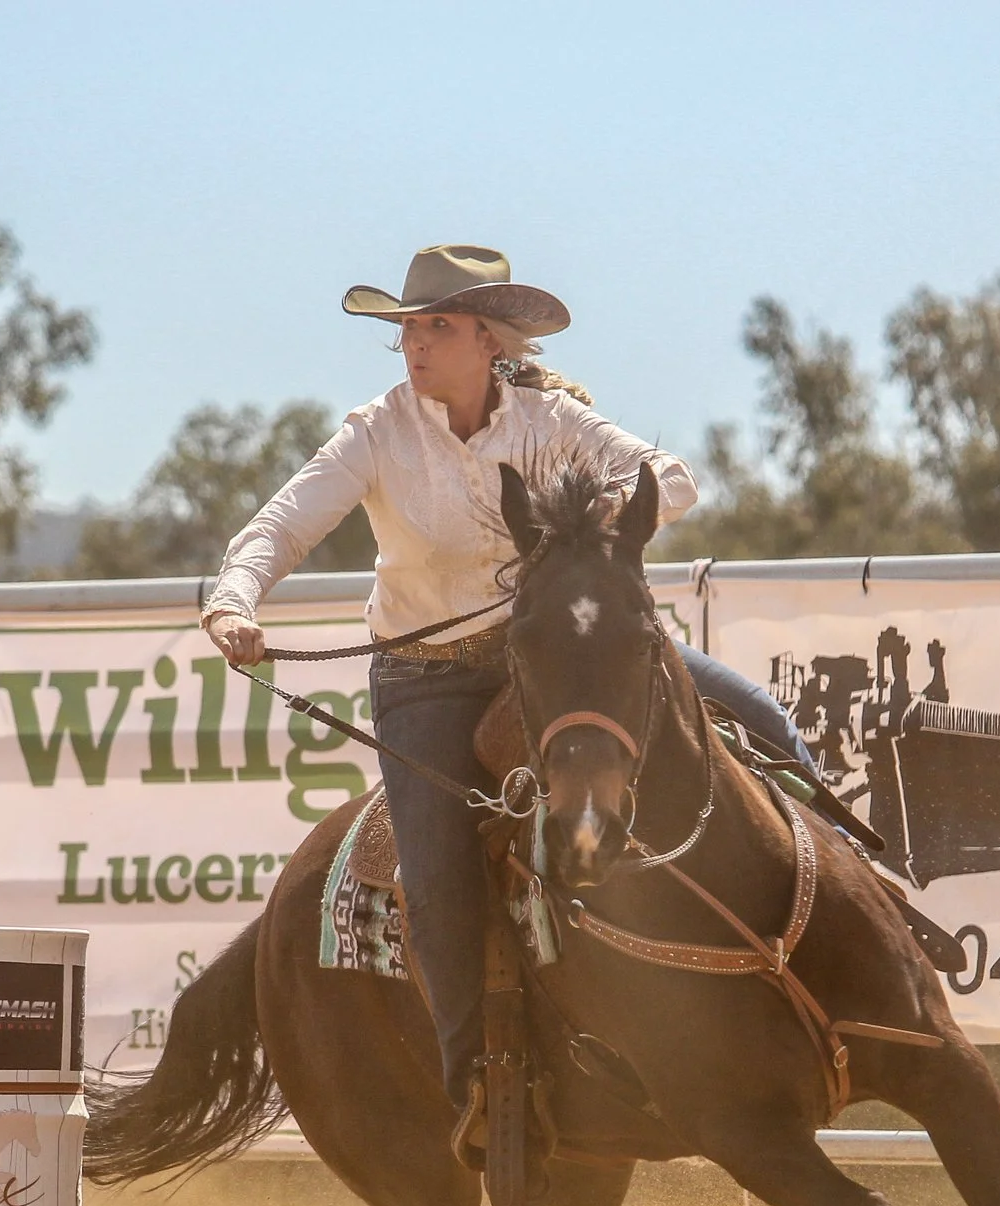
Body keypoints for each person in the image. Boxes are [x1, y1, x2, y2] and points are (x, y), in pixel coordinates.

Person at [204, 245, 813, 1117]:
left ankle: (845, 898)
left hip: (559, 660)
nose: (415, 343)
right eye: (408, 328)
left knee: (760, 721)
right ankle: (477, 1081)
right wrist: (234, 602)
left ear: (490, 340)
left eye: (437, 325)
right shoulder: (376, 432)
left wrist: (589, 522)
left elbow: (670, 478)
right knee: (439, 876)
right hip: (427, 680)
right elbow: (280, 526)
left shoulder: (546, 418)